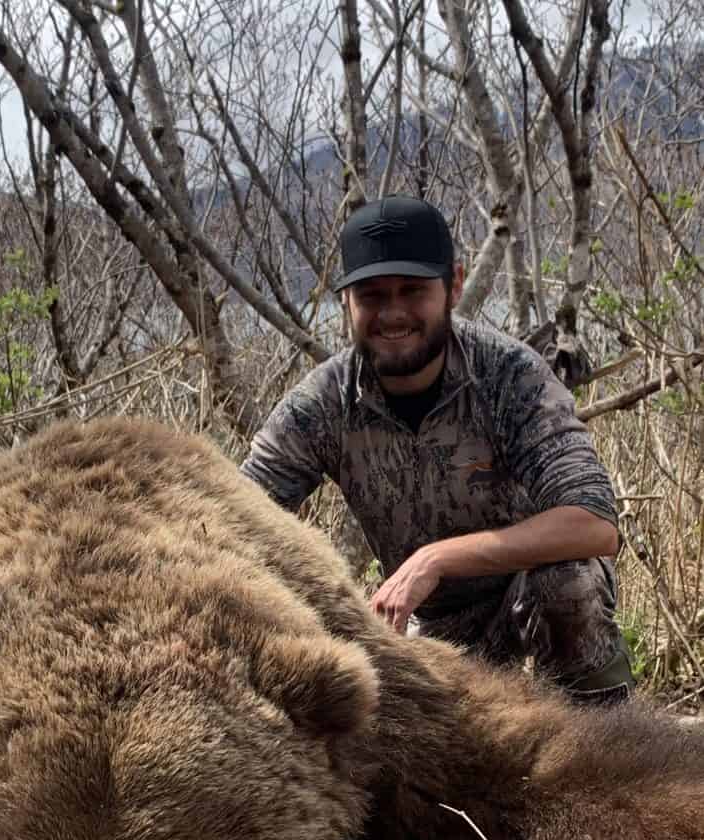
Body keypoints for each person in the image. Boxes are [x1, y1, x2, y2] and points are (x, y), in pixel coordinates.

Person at [240, 194, 634, 705]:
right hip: (421, 629)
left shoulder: (509, 376)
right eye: (372, 295)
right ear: (346, 304)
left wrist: (437, 558)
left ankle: (608, 747)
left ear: (454, 285)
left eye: (412, 290)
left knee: (569, 581)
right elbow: (233, 518)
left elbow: (594, 524)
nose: (393, 312)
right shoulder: (320, 404)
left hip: (524, 601)